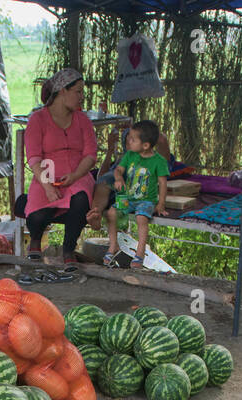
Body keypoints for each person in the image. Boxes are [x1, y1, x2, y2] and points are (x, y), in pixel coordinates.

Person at [22, 68, 96, 265]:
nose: (81, 97)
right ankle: (35, 240)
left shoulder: (83, 121)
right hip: (46, 175)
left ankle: (68, 249)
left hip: (77, 176)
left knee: (80, 200)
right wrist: (47, 186)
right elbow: (34, 158)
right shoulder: (37, 120)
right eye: (78, 92)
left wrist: (75, 175)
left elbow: (90, 155)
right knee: (37, 216)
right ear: (63, 91)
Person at [105, 119, 168, 269]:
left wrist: (160, 204)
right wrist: (119, 178)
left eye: (133, 140)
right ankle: (113, 246)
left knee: (141, 218)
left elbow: (163, 183)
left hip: (146, 201)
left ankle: (140, 253)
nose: (129, 142)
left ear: (145, 145)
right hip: (129, 198)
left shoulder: (158, 161)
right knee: (112, 213)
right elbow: (118, 170)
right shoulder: (129, 156)